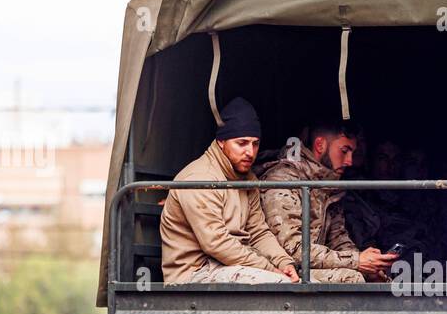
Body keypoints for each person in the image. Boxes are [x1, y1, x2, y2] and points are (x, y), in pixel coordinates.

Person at [160, 97, 300, 285]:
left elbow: (258, 232)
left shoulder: (248, 179)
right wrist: (269, 269)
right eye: (241, 143)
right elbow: (216, 243)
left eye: (255, 143)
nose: (250, 152)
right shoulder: (199, 178)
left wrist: (284, 263)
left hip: (233, 266)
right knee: (280, 285)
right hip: (195, 273)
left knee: (310, 286)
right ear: (221, 142)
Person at [257, 121, 398, 283]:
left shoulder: (328, 185)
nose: (349, 161)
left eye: (352, 152)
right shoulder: (283, 180)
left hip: (311, 266)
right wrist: (356, 261)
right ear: (320, 145)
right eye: (344, 151)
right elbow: (292, 250)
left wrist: (366, 265)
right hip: (283, 268)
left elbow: (339, 239)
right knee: (352, 279)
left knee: (375, 280)